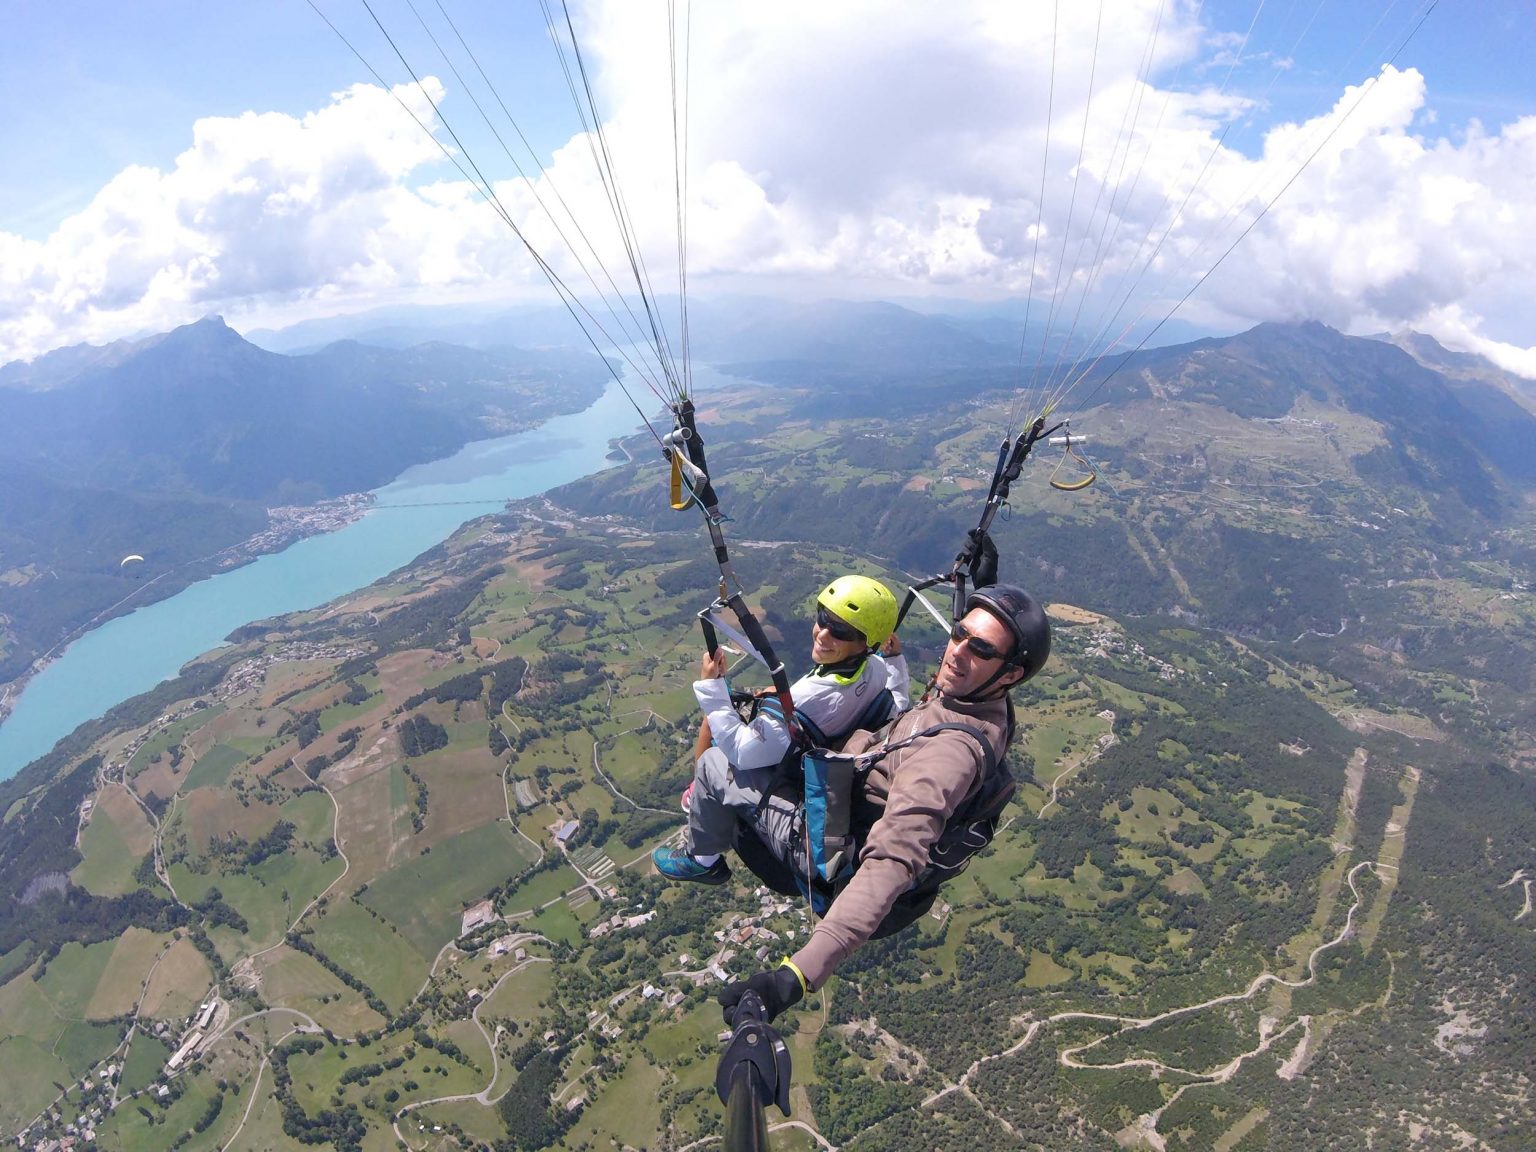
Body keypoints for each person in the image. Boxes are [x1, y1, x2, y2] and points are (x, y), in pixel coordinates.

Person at [710, 582, 1052, 1024]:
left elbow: (893, 859)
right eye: (959, 632)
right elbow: (976, 658)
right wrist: (979, 571)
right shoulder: (980, 699)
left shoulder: (950, 755)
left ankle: (701, 856)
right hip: (855, 798)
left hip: (830, 856)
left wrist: (794, 977)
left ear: (1010, 675)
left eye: (980, 648)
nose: (957, 652)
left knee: (717, 766)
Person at [652, 574, 909, 883]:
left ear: (866, 644)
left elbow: (742, 751)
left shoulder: (809, 699)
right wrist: (895, 660)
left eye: (841, 631)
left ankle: (702, 860)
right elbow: (897, 703)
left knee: (712, 761)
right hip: (822, 759)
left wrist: (712, 687)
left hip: (795, 792)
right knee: (753, 706)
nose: (823, 634)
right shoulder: (877, 668)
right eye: (823, 618)